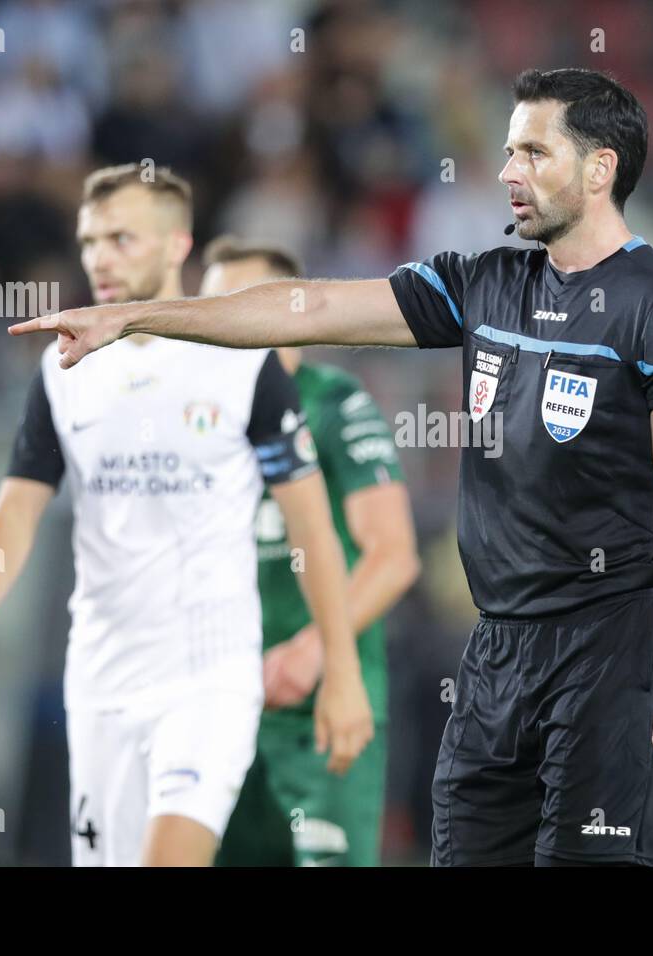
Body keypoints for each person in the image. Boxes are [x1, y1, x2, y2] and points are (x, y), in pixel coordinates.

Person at [11, 68, 653, 867]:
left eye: (533, 152)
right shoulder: (483, 285)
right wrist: (139, 316)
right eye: (507, 152)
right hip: (496, 652)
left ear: (600, 169)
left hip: (613, 651)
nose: (507, 173)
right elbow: (309, 307)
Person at [0, 164, 372, 867]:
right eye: (90, 240)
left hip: (207, 677)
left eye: (122, 238)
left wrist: (340, 672)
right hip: (101, 679)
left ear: (175, 247)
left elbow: (312, 527)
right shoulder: (61, 368)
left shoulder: (242, 360)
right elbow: (17, 508)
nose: (100, 257)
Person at [200, 236, 420, 866]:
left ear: (293, 313)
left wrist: (313, 649)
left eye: (243, 304)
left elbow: (394, 555)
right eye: (211, 306)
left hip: (318, 708)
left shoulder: (333, 405)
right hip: (215, 712)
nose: (221, 323)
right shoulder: (198, 419)